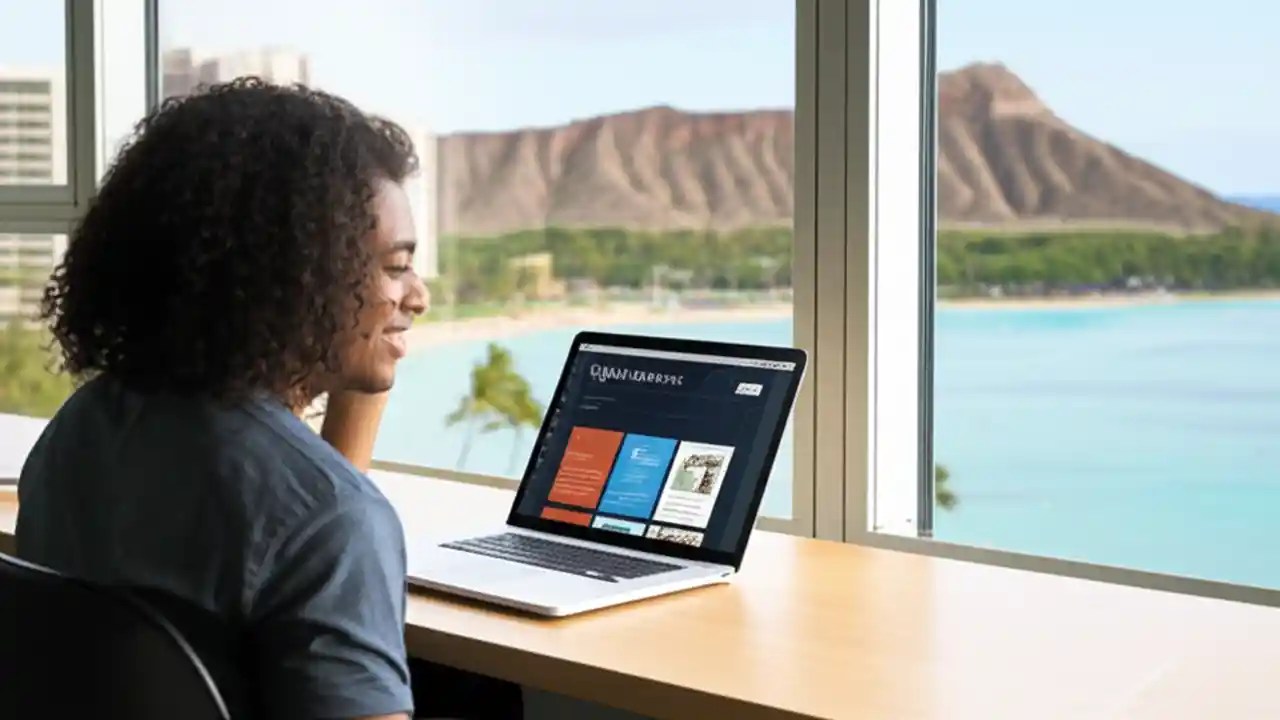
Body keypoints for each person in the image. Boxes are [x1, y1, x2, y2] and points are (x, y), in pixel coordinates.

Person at [14, 79, 521, 719]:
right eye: (396, 267)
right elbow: (318, 520)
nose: (418, 296)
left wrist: (358, 372)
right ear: (303, 274)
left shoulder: (83, 426)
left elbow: (297, 513)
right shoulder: (330, 519)